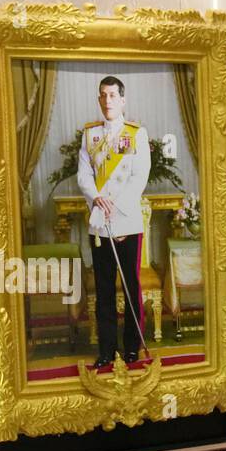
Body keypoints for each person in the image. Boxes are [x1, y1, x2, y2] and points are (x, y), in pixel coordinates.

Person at [77, 75, 151, 368]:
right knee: (104, 289)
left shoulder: (136, 134)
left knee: (131, 287)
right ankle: (107, 350)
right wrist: (96, 198)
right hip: (98, 224)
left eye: (112, 96)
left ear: (122, 100)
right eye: (103, 95)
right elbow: (83, 175)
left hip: (126, 223)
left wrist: (115, 209)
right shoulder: (90, 136)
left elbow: (139, 177)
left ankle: (131, 347)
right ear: (99, 100)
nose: (107, 101)